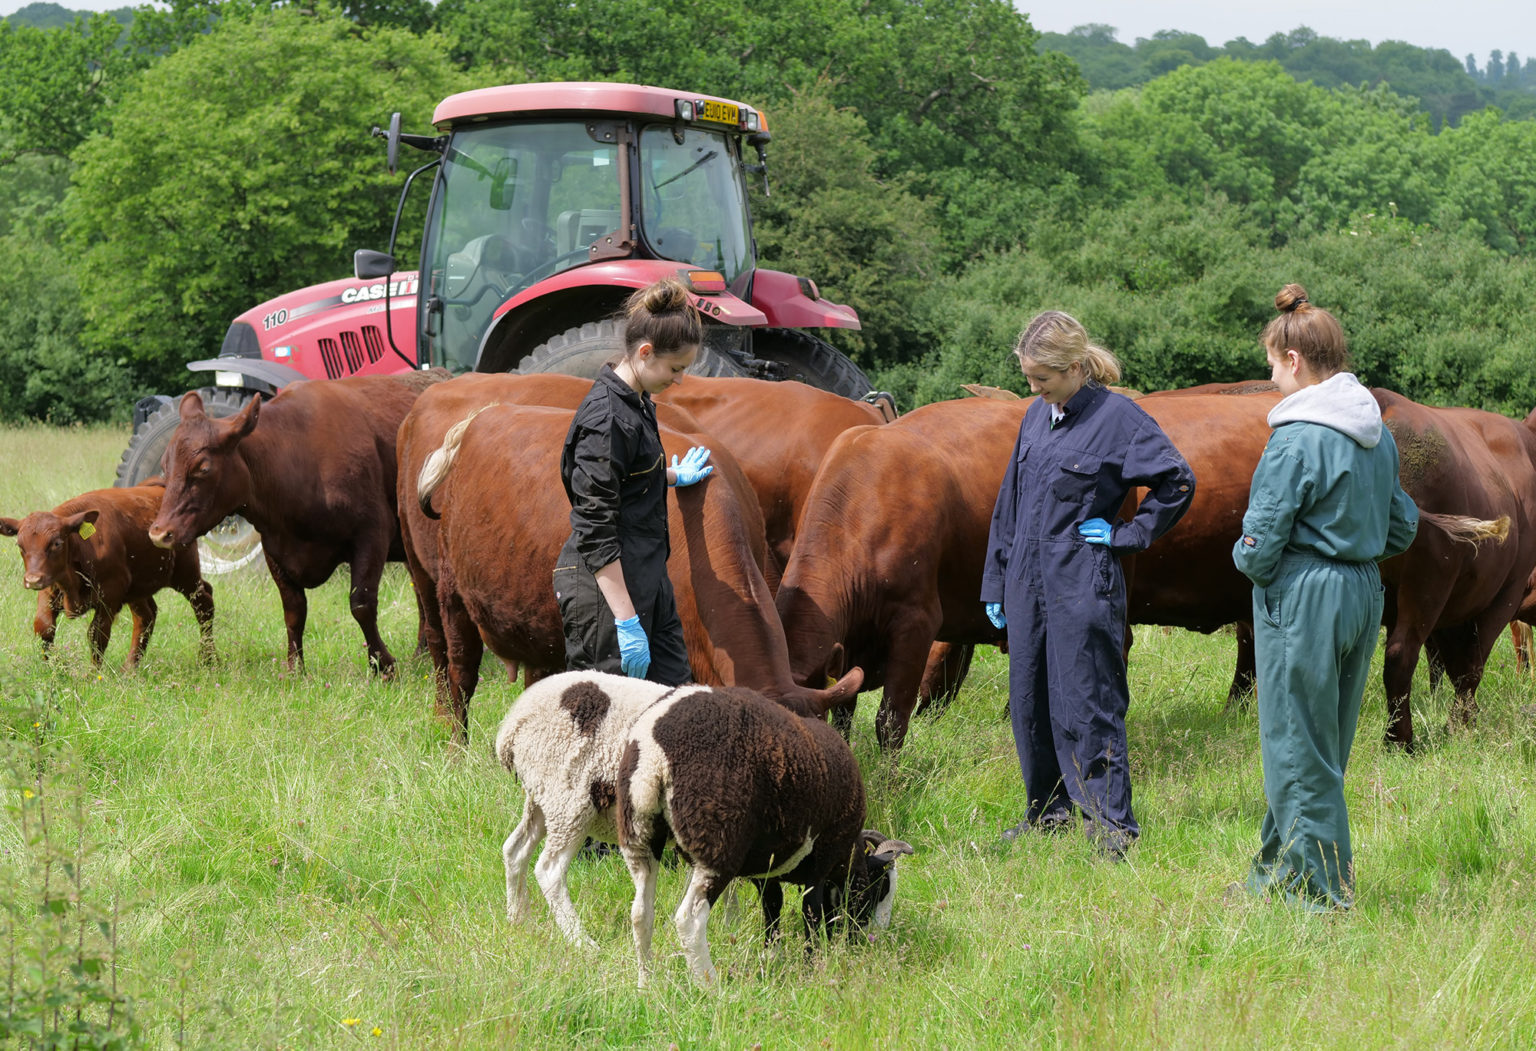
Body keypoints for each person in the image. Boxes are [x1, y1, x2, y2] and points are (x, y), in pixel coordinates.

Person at [981, 311, 1195, 859]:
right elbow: (1010, 503)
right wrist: (996, 582)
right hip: (1027, 583)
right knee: (1029, 700)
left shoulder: (1119, 418)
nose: (1033, 388)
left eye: (1042, 378)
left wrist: (1129, 534)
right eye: (1029, 378)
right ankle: (1048, 814)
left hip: (1082, 579)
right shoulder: (1035, 416)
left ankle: (1111, 828)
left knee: (1088, 700)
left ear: (1075, 368)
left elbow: (1177, 481)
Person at [1233, 284, 1418, 910]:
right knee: (1321, 744)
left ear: (1293, 361)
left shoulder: (1296, 435)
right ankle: (1275, 874)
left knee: (1294, 744)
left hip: (1304, 593)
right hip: (1363, 591)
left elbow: (1260, 545)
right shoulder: (1375, 432)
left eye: (1270, 365)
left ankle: (1322, 898)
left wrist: (1248, 558)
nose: (1270, 378)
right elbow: (1404, 526)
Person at [555, 277, 714, 685]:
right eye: (676, 368)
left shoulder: (637, 403)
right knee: (604, 721)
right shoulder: (606, 419)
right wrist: (626, 621)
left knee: (675, 703)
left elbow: (620, 479)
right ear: (646, 352)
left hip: (648, 578)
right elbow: (594, 526)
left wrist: (670, 476)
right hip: (605, 592)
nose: (679, 380)